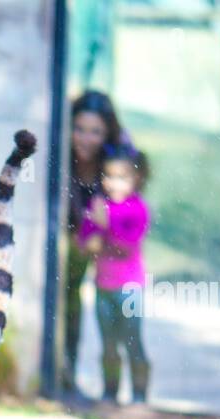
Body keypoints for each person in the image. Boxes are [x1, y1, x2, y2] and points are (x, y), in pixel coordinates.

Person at [62, 91, 126, 401]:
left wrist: (107, 228)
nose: (86, 138)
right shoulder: (60, 156)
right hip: (70, 248)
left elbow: (132, 205)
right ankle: (65, 375)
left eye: (96, 131)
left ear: (108, 133)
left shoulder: (116, 165)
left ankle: (113, 391)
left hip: (110, 253)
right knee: (68, 303)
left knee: (111, 314)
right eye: (80, 129)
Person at [78, 146, 151, 404]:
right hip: (102, 287)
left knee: (133, 341)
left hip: (129, 288)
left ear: (137, 178)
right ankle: (110, 393)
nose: (114, 183)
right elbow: (86, 242)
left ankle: (140, 395)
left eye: (122, 177)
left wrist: (105, 225)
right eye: (109, 176)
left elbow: (127, 246)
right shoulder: (99, 206)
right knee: (108, 345)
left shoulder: (137, 209)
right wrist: (92, 238)